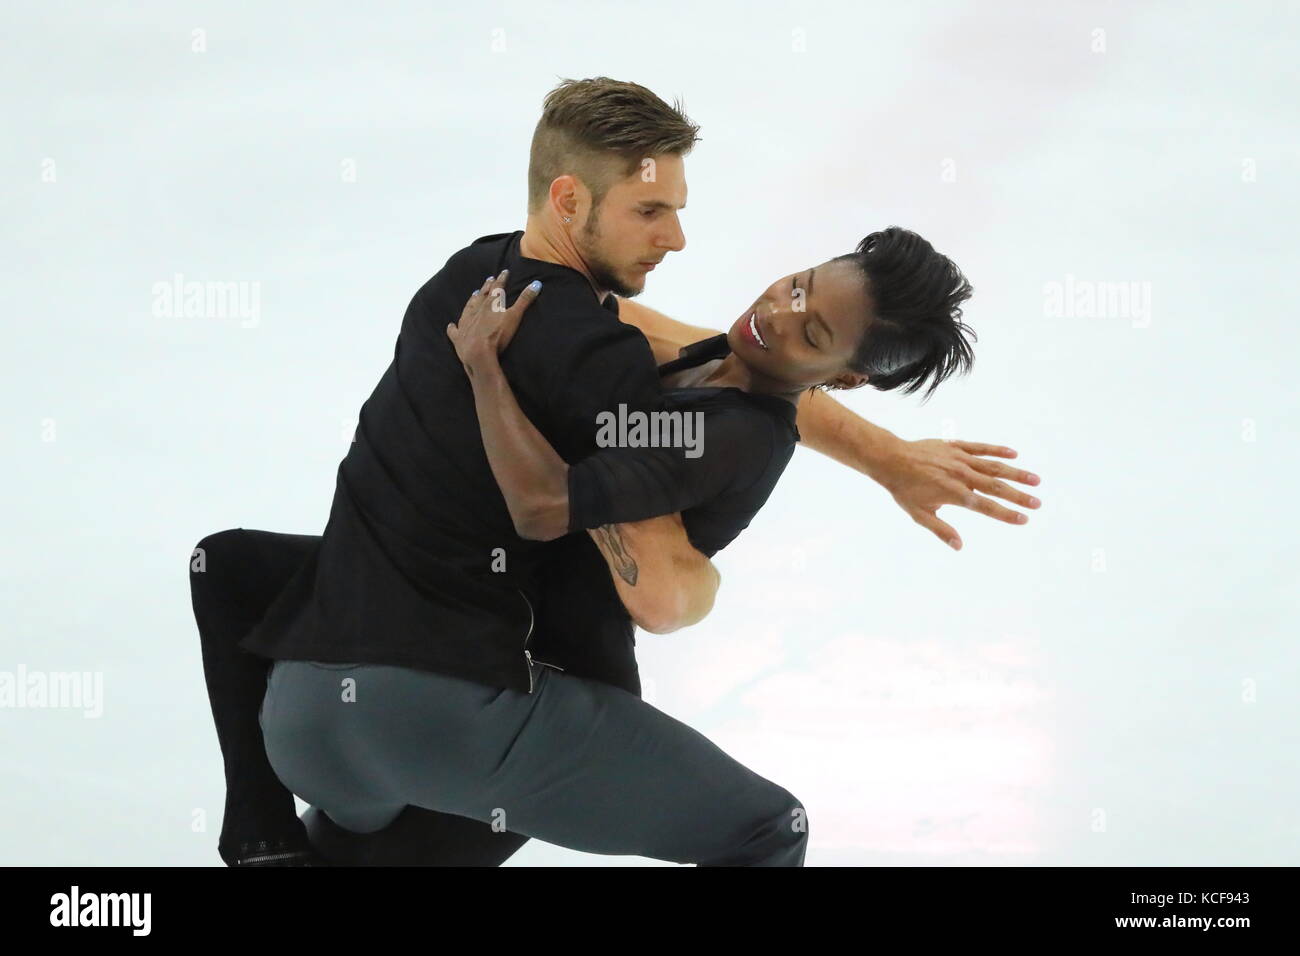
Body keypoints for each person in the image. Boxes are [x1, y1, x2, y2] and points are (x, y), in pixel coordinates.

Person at [190, 77, 1042, 866]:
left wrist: (693, 574)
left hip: (312, 711)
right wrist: (882, 462)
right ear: (571, 199)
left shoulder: (476, 278)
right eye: (797, 286)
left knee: (228, 566)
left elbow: (663, 543)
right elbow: (656, 540)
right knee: (766, 830)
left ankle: (261, 832)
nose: (773, 311)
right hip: (468, 711)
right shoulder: (633, 359)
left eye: (811, 331)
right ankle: (269, 828)